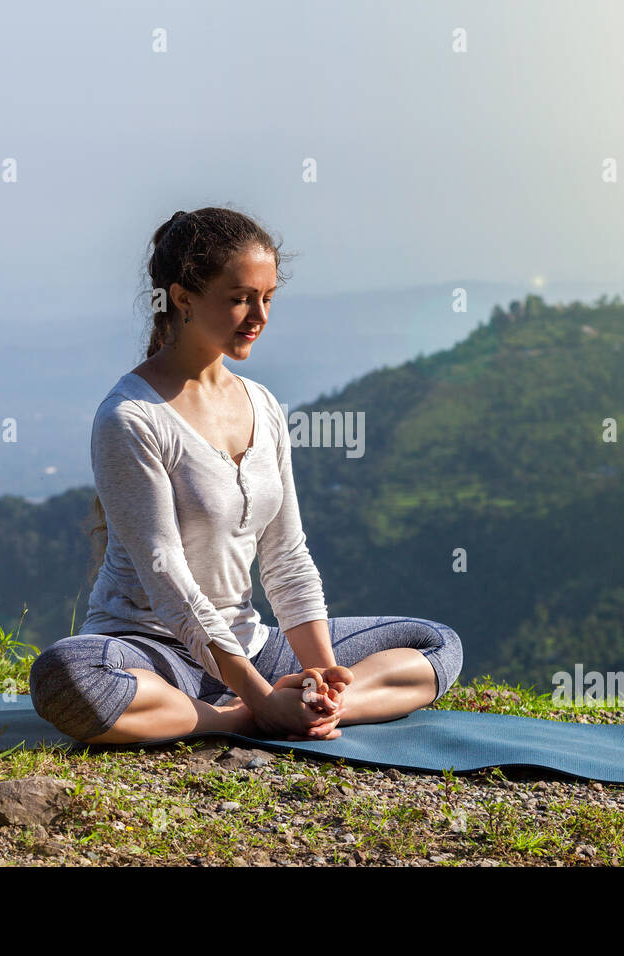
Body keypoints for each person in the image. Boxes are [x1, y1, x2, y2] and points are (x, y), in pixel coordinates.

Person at [29, 206, 462, 745]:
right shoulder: (131, 418)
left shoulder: (263, 405)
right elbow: (170, 586)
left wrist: (321, 677)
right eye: (239, 299)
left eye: (267, 298)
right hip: (155, 652)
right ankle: (236, 719)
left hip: (252, 645)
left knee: (436, 644)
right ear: (183, 297)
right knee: (67, 676)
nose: (258, 315)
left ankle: (321, 711)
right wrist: (257, 699)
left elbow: (286, 556)